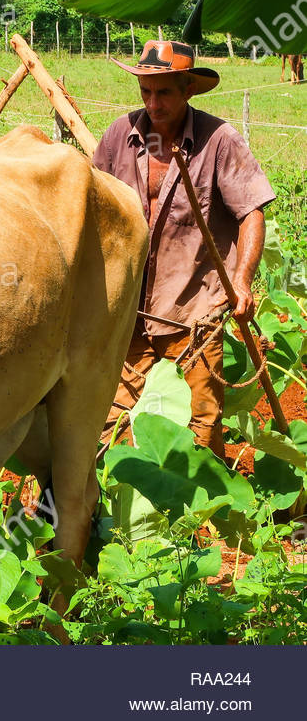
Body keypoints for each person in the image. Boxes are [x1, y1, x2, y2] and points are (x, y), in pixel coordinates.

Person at [94, 40, 275, 456]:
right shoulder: (120, 135)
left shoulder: (219, 140)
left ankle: (197, 518)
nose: (153, 104)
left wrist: (242, 280)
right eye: (145, 91)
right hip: (129, 309)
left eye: (164, 92)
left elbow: (252, 212)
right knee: (114, 419)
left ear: (188, 89)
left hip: (194, 310)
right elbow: (92, 201)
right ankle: (118, 507)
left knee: (201, 423)